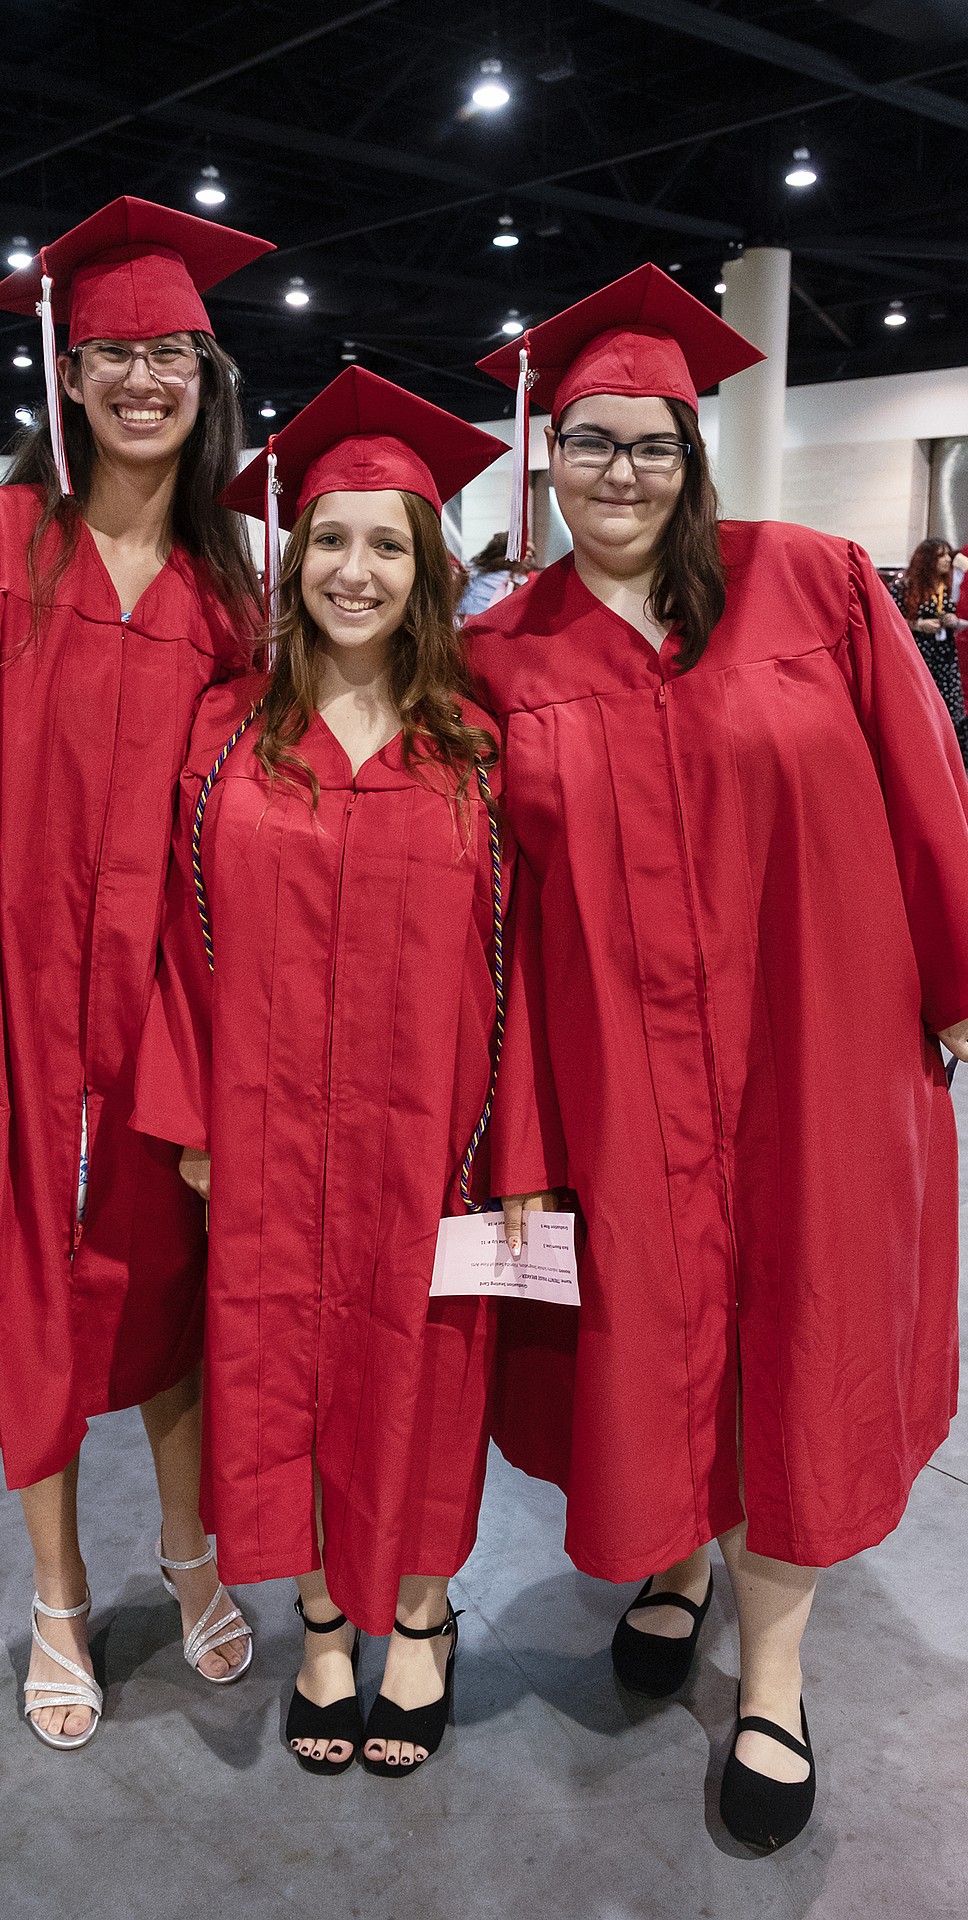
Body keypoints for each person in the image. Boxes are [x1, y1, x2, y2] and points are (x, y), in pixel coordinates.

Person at [464, 264, 968, 1850]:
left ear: (695, 458)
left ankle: (774, 1674)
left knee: (808, 1330)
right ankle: (676, 1558)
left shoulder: (813, 583)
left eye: (654, 446)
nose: (620, 474)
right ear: (545, 455)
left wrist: (957, 995)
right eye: (592, 444)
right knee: (661, 1324)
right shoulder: (500, 655)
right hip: (618, 1069)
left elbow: (928, 793)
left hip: (819, 1043)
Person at [0, 197, 276, 1748]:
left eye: (169, 354)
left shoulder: (232, 589)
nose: (139, 379)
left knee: (171, 1289)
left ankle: (187, 1553)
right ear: (65, 371)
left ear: (207, 376)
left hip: (169, 1012)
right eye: (110, 351)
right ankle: (58, 1593)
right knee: (26, 1300)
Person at [132, 367, 509, 1778]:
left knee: (428, 1367)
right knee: (273, 1366)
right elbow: (172, 942)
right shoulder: (224, 734)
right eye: (331, 541)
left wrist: (516, 1149)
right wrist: (193, 1124)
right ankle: (320, 1620)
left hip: (436, 1139)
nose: (358, 570)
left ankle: (418, 1611)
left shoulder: (475, 745)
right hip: (267, 1133)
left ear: (428, 567)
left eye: (388, 544)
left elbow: (527, 967)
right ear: (294, 561)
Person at [889, 538, 968, 764]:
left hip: (945, 655)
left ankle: (948, 760)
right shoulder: (905, 586)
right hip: (920, 656)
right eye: (941, 556)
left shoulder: (947, 585)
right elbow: (888, 620)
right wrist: (917, 625)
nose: (946, 561)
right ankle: (920, 758)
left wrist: (956, 621)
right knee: (920, 708)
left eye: (947, 556)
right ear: (927, 559)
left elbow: (958, 620)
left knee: (950, 709)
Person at [457, 531, 536, 619]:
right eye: (525, 549)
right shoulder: (473, 572)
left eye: (532, 552)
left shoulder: (520, 580)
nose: (529, 554)